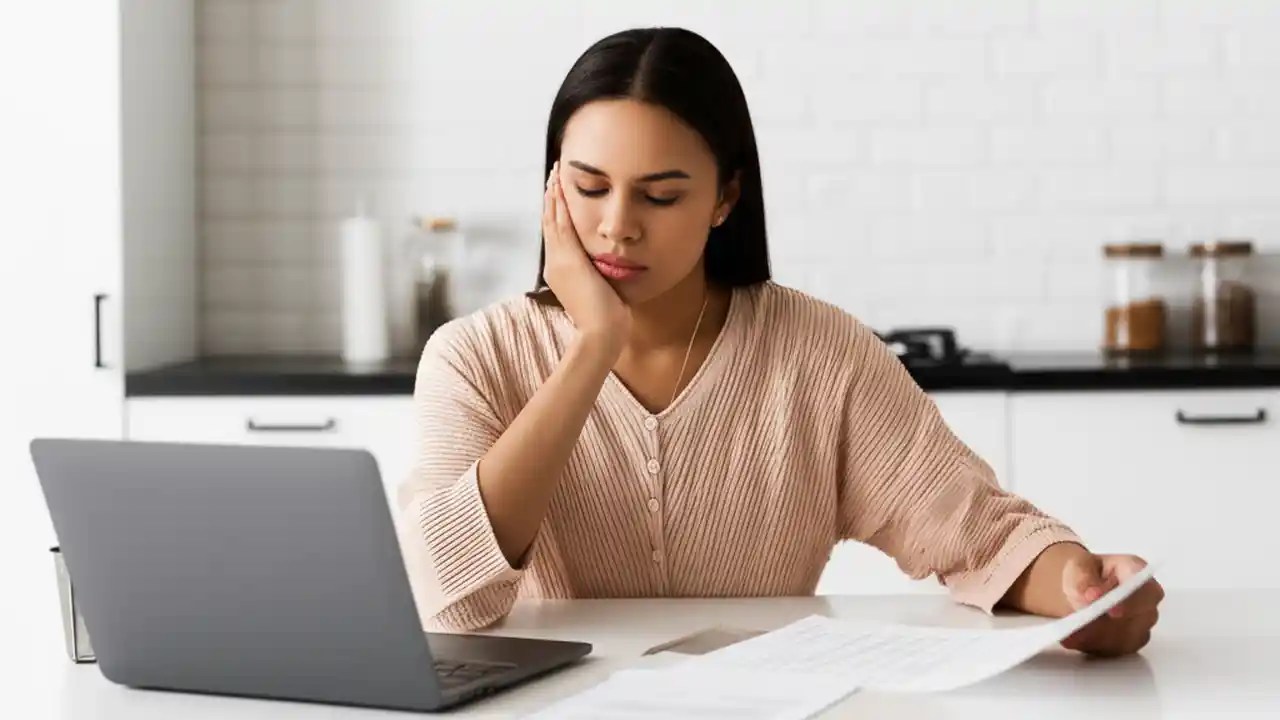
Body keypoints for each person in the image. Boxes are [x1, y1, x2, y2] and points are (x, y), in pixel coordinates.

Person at [397, 27, 1162, 657]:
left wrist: (1084, 591)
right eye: (590, 188)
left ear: (727, 196)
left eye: (661, 196)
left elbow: (979, 532)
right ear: (552, 184)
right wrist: (594, 343)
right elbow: (450, 599)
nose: (617, 225)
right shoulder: (474, 358)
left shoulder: (819, 353)